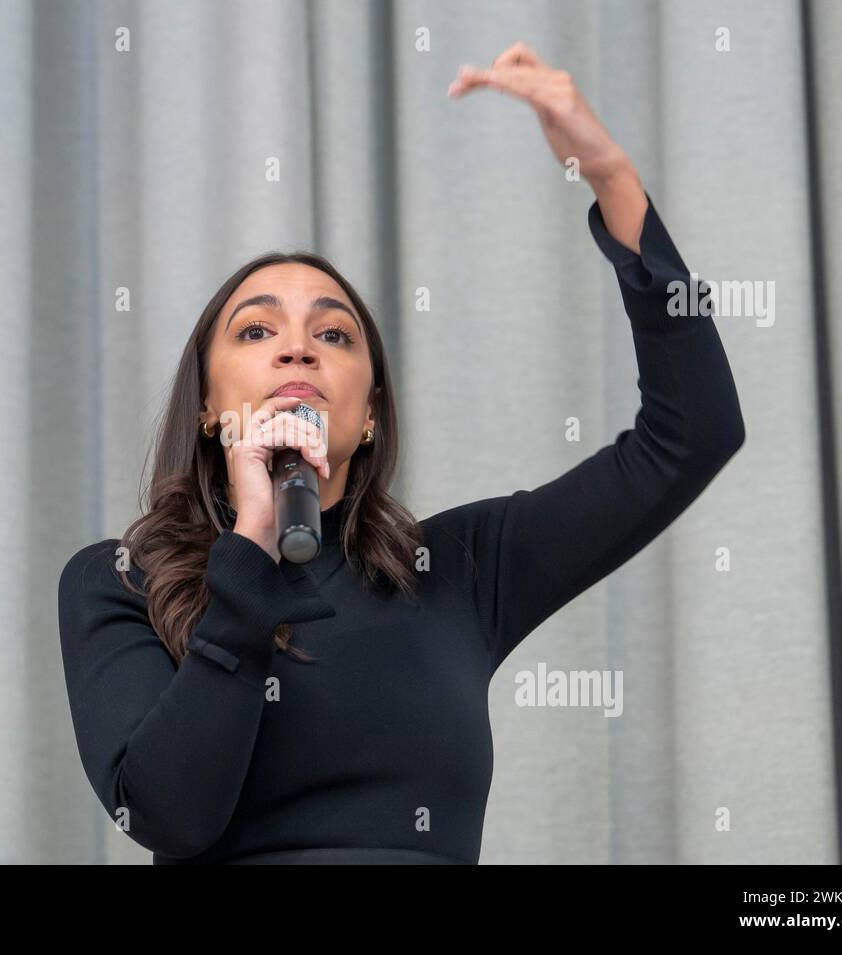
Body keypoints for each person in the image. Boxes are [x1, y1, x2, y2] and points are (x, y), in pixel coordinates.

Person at [58, 43, 745, 864]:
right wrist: (249, 552)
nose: (298, 349)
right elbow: (169, 816)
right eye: (256, 329)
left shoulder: (455, 568)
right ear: (209, 406)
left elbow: (693, 432)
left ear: (373, 410)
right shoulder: (120, 580)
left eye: (335, 333)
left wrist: (612, 180)